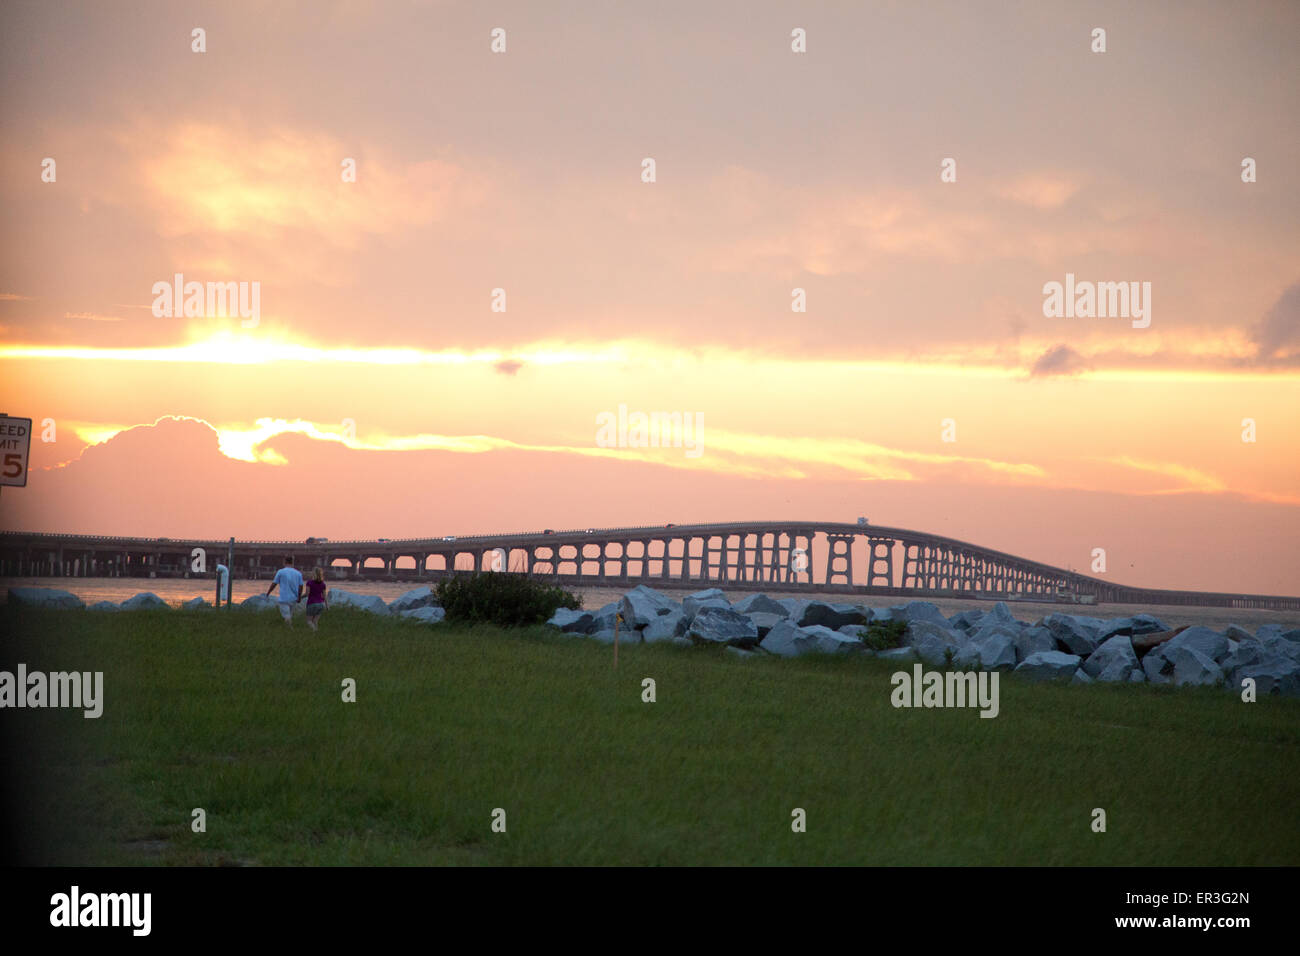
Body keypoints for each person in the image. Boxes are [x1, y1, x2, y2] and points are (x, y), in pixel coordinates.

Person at [267, 556, 303, 627]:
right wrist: (299, 597)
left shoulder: (281, 572)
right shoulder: (298, 573)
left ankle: (290, 630)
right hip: (294, 599)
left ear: (284, 562)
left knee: (287, 616)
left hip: (284, 598)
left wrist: (268, 593)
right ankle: (288, 630)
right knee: (290, 616)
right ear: (292, 562)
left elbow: (274, 583)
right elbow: (301, 586)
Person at [300, 566, 329, 632]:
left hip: (312, 603)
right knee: (315, 621)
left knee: (309, 621)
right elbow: (324, 596)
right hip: (321, 604)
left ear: (314, 573)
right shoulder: (323, 584)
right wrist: (327, 605)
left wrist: (300, 597)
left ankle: (315, 630)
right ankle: (316, 634)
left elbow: (307, 594)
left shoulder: (309, 582)